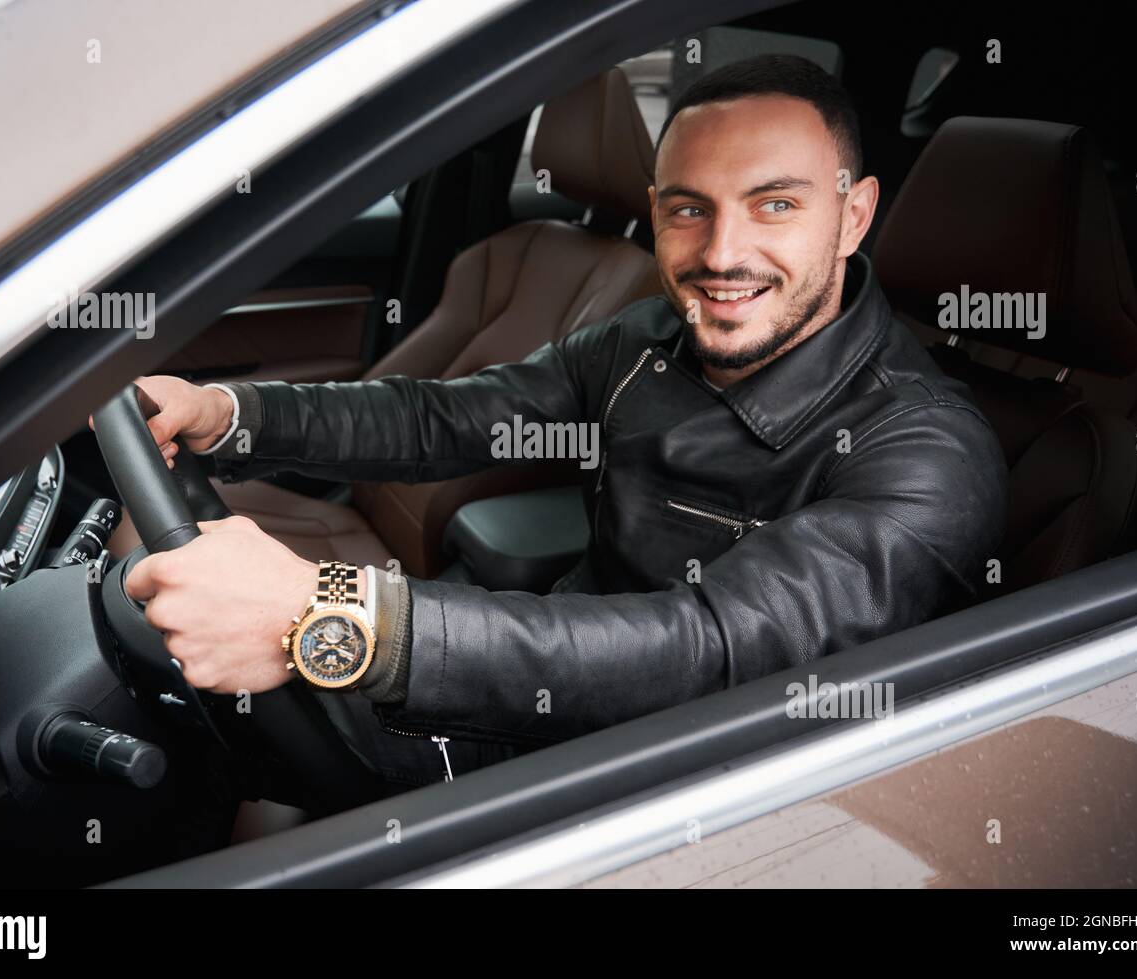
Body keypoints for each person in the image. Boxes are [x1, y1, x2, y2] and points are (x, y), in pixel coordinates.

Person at [105, 55, 1008, 790]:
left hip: (690, 773)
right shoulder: (648, 338)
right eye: (688, 209)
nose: (723, 254)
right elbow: (446, 420)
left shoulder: (927, 453)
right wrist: (228, 413)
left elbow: (707, 649)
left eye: (776, 204)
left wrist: (335, 611)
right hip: (547, 685)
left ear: (853, 216)